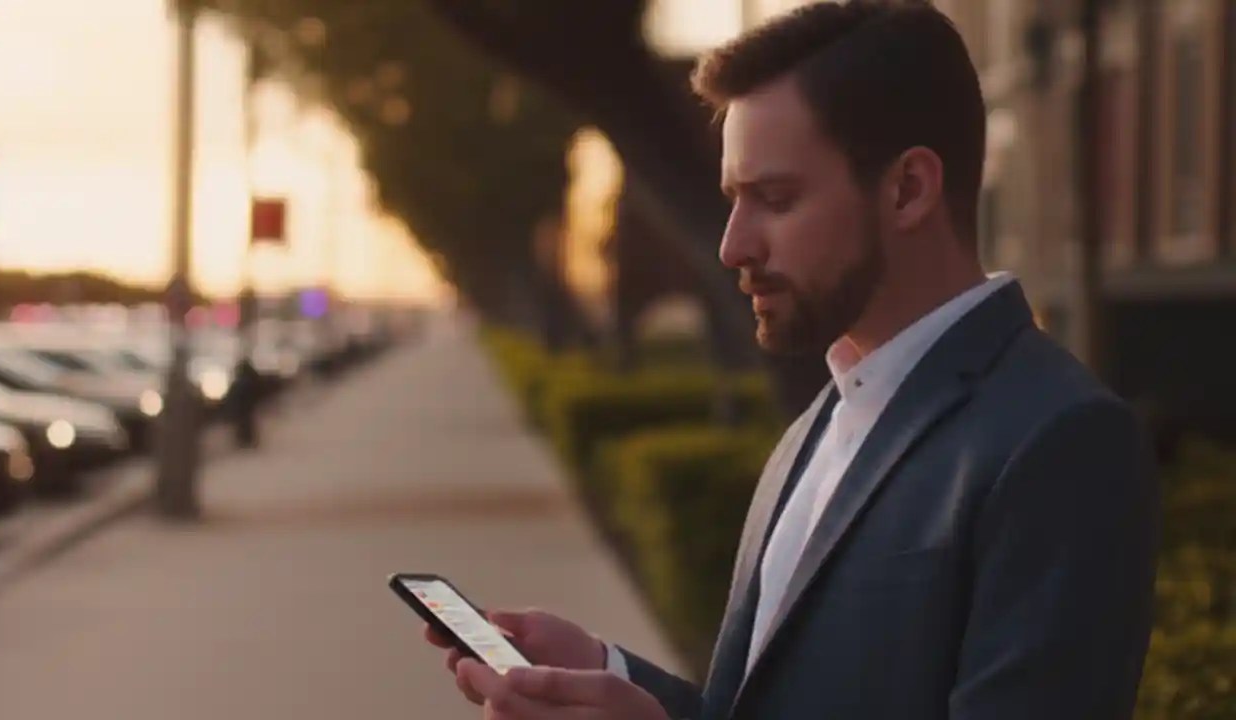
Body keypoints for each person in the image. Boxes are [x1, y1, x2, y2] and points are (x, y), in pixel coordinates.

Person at [425, 1, 1160, 718]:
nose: (732, 246)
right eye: (733, 199)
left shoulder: (1060, 442)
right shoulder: (824, 418)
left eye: (773, 198)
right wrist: (605, 673)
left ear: (908, 190)